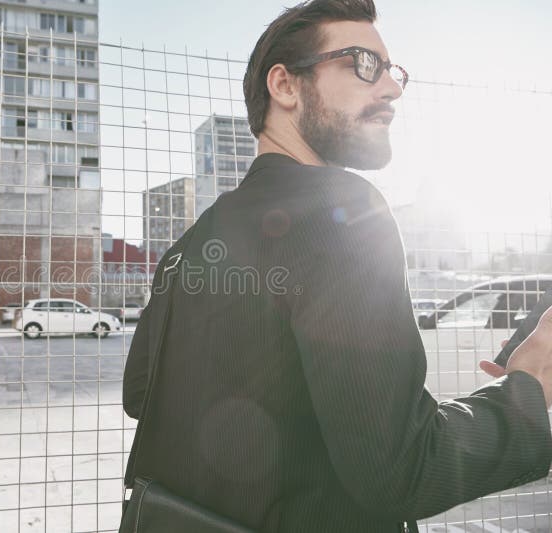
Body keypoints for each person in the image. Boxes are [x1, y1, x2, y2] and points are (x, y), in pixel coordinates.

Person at [121, 0, 552, 532]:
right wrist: (527, 391)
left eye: (393, 71)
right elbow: (401, 470)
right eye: (362, 63)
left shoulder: (192, 242)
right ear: (284, 86)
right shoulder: (341, 214)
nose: (391, 88)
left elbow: (141, 394)